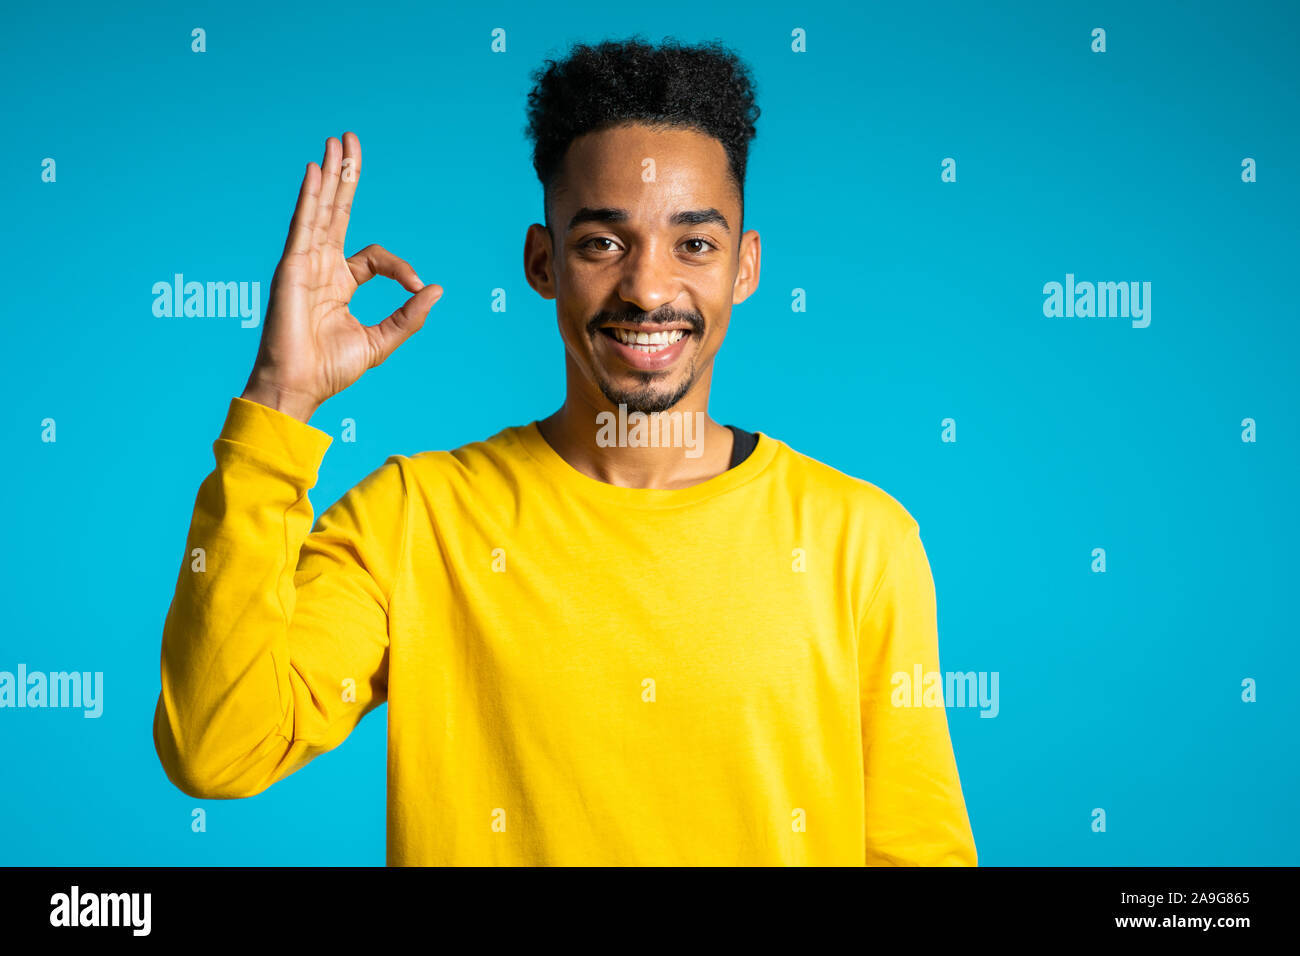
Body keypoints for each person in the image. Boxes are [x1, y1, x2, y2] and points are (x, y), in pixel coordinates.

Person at [153, 35, 978, 866]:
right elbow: (219, 747)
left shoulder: (862, 541)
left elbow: (916, 851)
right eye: (603, 243)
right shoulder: (417, 518)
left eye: (694, 244)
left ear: (745, 266)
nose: (649, 289)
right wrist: (279, 399)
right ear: (542, 263)